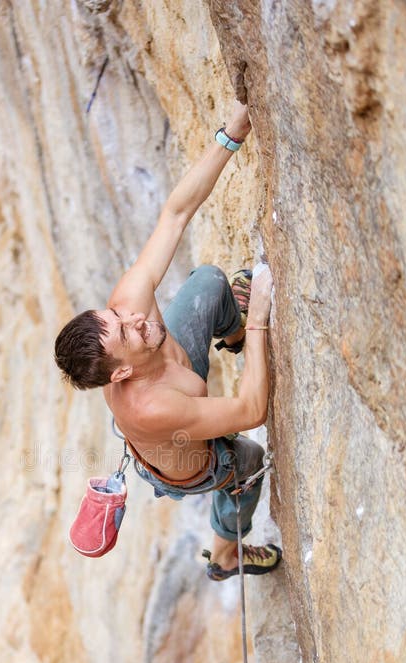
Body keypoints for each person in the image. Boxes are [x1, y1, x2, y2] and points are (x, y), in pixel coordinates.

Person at [54, 100, 282, 580]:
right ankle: (225, 555)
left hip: (172, 378)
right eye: (125, 329)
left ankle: (233, 334)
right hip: (194, 461)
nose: (135, 315)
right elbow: (251, 410)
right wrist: (260, 318)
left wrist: (231, 135)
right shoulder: (151, 407)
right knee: (248, 460)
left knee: (209, 282)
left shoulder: (130, 312)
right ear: (120, 372)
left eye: (118, 315)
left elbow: (175, 215)